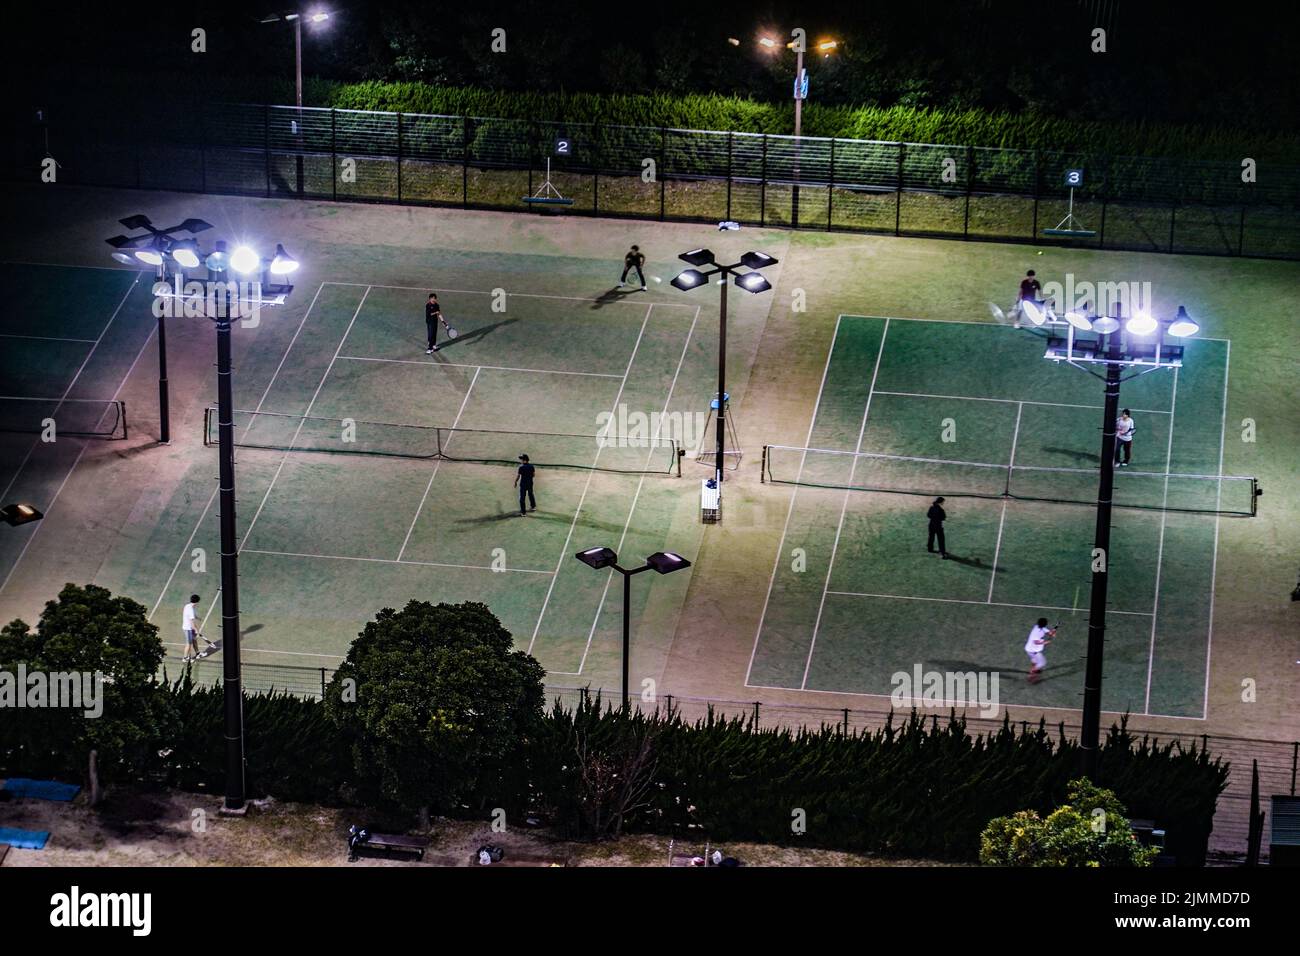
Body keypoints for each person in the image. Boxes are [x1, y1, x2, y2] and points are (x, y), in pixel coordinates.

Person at [1024, 617, 1056, 683]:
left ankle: (1032, 670)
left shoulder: (1038, 626)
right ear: (1045, 624)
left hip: (1029, 649)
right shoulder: (1036, 632)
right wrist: (1045, 642)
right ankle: (1031, 675)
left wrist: (1052, 633)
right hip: (1033, 651)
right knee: (1042, 663)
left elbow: (1047, 632)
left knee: (1034, 660)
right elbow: (1036, 642)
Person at [182, 594, 202, 662]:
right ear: (197, 602)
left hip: (190, 628)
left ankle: (198, 653)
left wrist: (197, 617)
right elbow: (192, 623)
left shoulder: (187, 606)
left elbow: (192, 615)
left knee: (194, 640)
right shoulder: (190, 609)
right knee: (189, 644)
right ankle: (185, 658)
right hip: (188, 629)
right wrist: (197, 631)